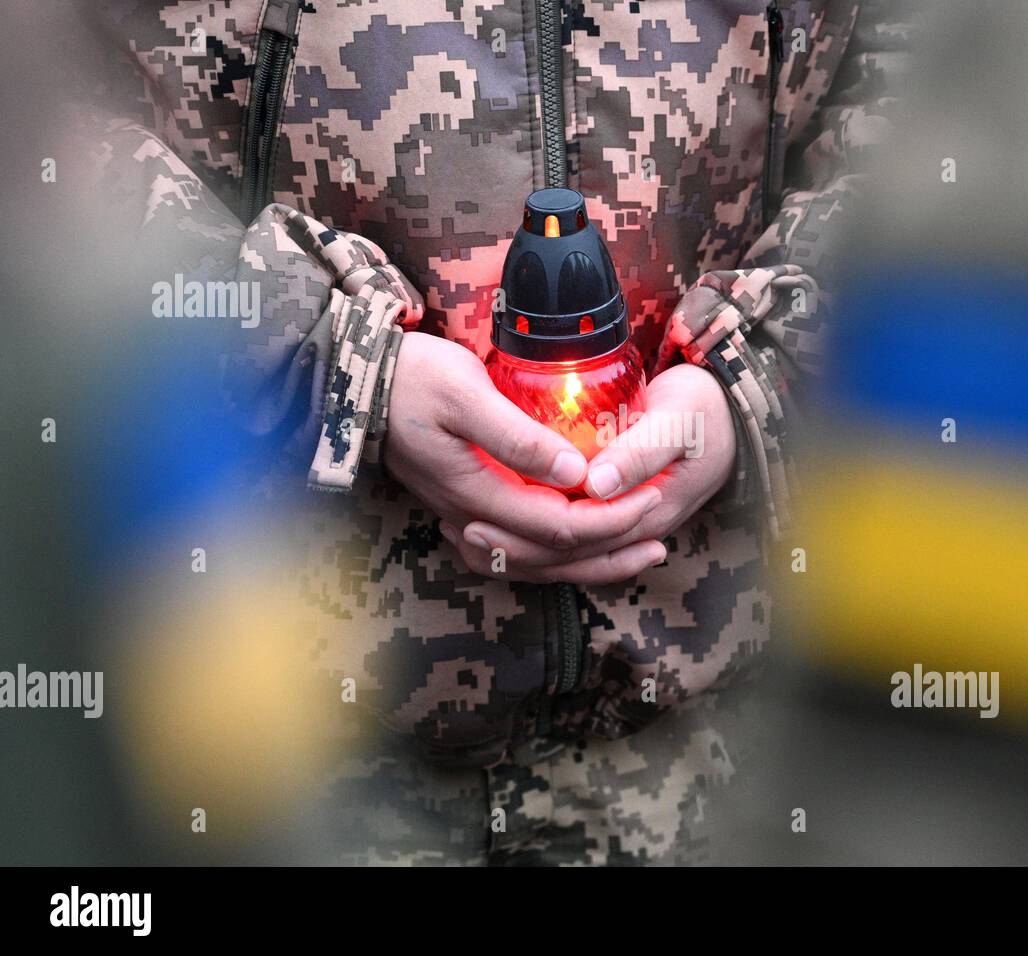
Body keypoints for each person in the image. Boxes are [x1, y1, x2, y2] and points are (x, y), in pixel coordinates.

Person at [76, 0, 909, 863]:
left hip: (720, 747)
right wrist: (332, 352)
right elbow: (37, 127)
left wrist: (765, 362)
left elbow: (931, 68)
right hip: (297, 759)